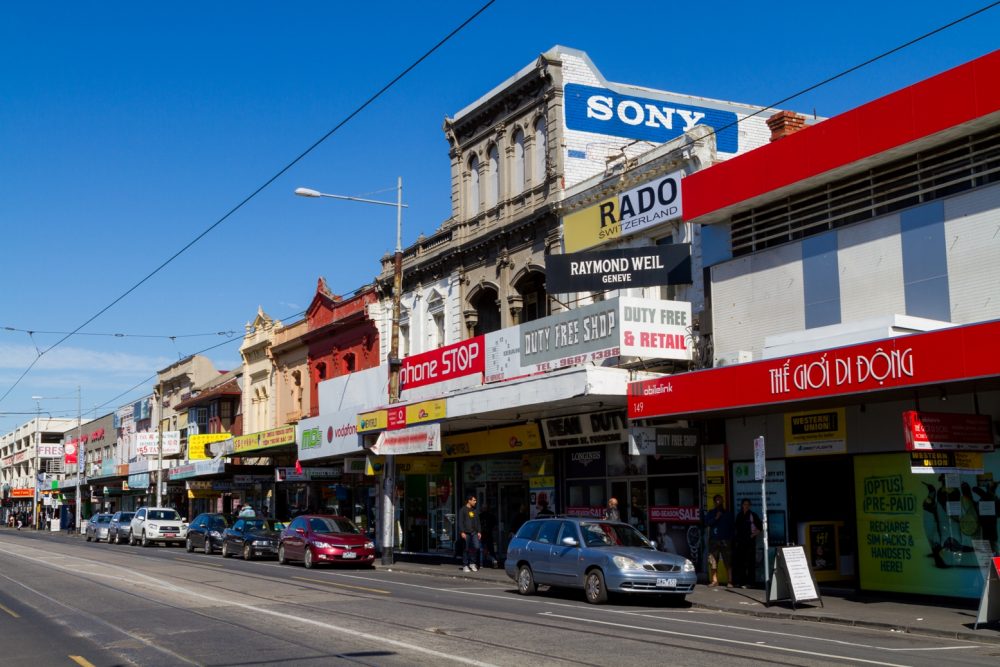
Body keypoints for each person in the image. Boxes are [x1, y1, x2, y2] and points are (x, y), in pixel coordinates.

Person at [704, 494, 735, 588]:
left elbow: (732, 528)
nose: (718, 502)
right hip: (714, 541)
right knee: (713, 561)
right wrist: (716, 518)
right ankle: (714, 580)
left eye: (720, 500)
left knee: (728, 561)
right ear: (714, 502)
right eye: (717, 500)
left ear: (723, 502)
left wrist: (730, 539)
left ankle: (730, 581)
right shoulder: (711, 513)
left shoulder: (728, 514)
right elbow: (707, 523)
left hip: (725, 541)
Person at [733, 498, 762, 587]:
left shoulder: (753, 515)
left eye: (748, 504)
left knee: (750, 563)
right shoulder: (739, 515)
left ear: (750, 506)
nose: (746, 506)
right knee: (740, 563)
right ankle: (741, 582)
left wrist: (753, 535)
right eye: (744, 504)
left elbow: (760, 528)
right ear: (742, 505)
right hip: (740, 543)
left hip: (750, 543)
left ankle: (750, 583)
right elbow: (736, 529)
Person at [458, 494, 482, 573]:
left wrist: (479, 531)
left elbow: (478, 521)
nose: (475, 502)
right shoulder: (463, 510)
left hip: (474, 532)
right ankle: (465, 565)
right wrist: (462, 532)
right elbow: (460, 522)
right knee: (466, 548)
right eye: (474, 500)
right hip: (466, 532)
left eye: (475, 500)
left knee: (476, 547)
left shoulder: (474, 510)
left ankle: (472, 563)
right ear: (469, 501)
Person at [479, 504, 498, 568]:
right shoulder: (490, 516)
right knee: (490, 549)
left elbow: (478, 525)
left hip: (483, 534)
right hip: (488, 534)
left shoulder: (480, 516)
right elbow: (495, 524)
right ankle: (494, 560)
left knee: (482, 549)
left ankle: (481, 563)